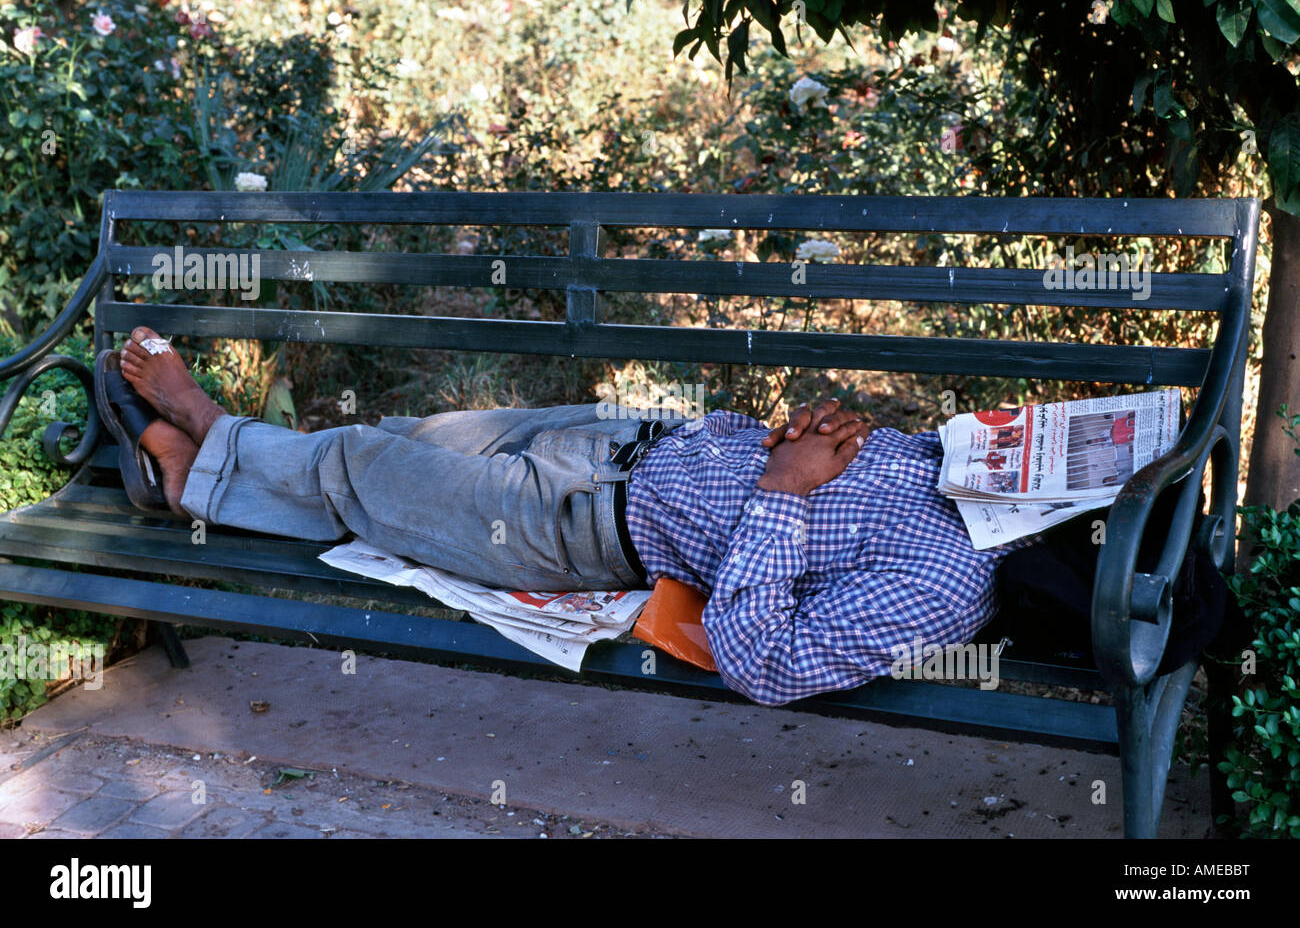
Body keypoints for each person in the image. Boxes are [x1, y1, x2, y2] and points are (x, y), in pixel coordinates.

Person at [105, 326, 1029, 707]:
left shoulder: (947, 591)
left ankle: (205, 444)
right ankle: (213, 467)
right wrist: (817, 436)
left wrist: (785, 488)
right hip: (631, 442)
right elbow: (832, 463)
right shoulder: (982, 479)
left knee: (361, 465)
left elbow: (767, 663)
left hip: (579, 526)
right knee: (406, 438)